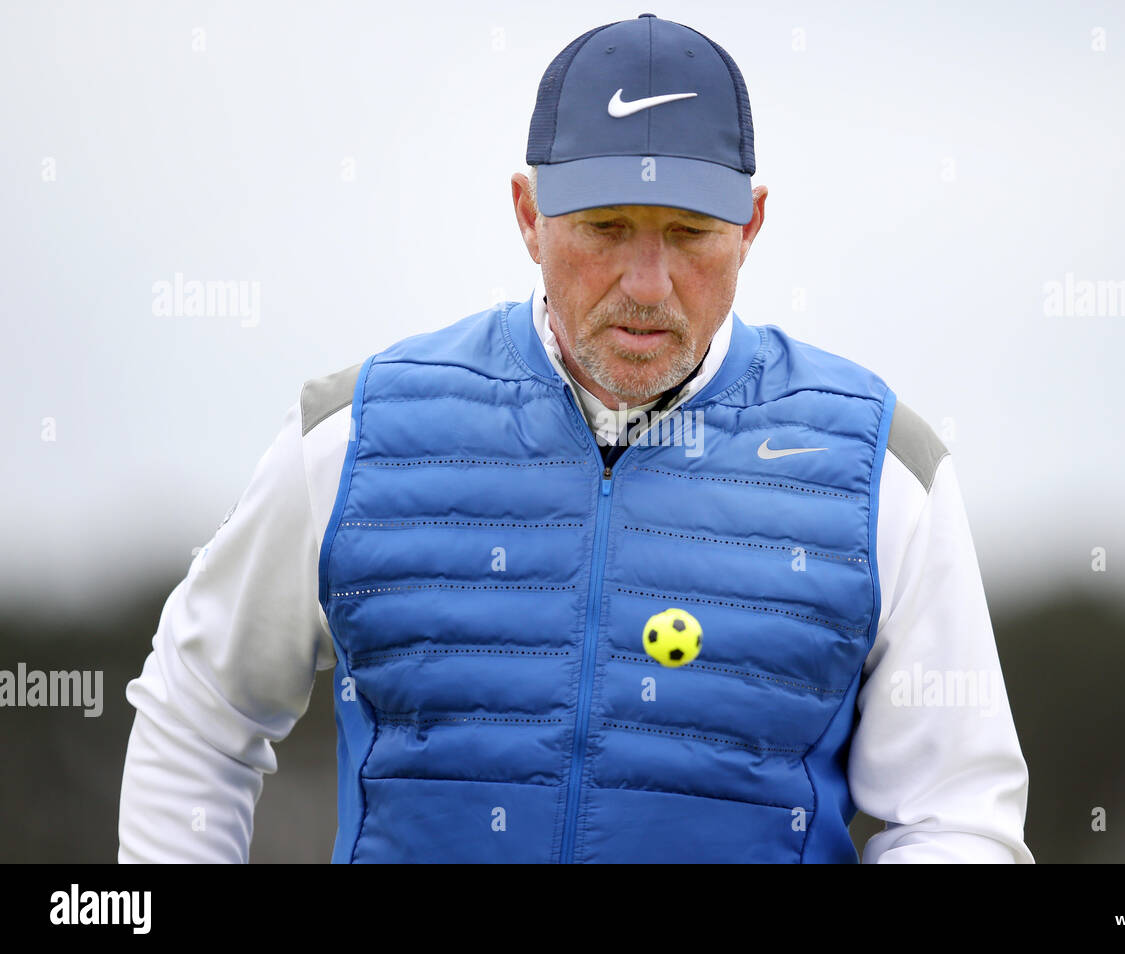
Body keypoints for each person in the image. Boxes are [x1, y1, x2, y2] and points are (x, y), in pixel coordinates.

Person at [118, 13, 1032, 864]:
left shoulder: (882, 473)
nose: (646, 281)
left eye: (690, 233)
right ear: (528, 215)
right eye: (605, 228)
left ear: (751, 227)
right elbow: (199, 710)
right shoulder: (356, 436)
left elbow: (956, 817)